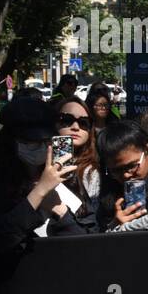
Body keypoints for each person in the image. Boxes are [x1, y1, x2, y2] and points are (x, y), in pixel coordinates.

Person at [0, 99, 92, 251]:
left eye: (47, 140)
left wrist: (61, 211)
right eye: (31, 141)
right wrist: (39, 193)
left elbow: (88, 243)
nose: (42, 147)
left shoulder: (67, 177)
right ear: (11, 141)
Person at [52, 96, 103, 231]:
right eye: (67, 120)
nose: (75, 127)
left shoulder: (93, 170)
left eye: (83, 122)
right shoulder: (36, 163)